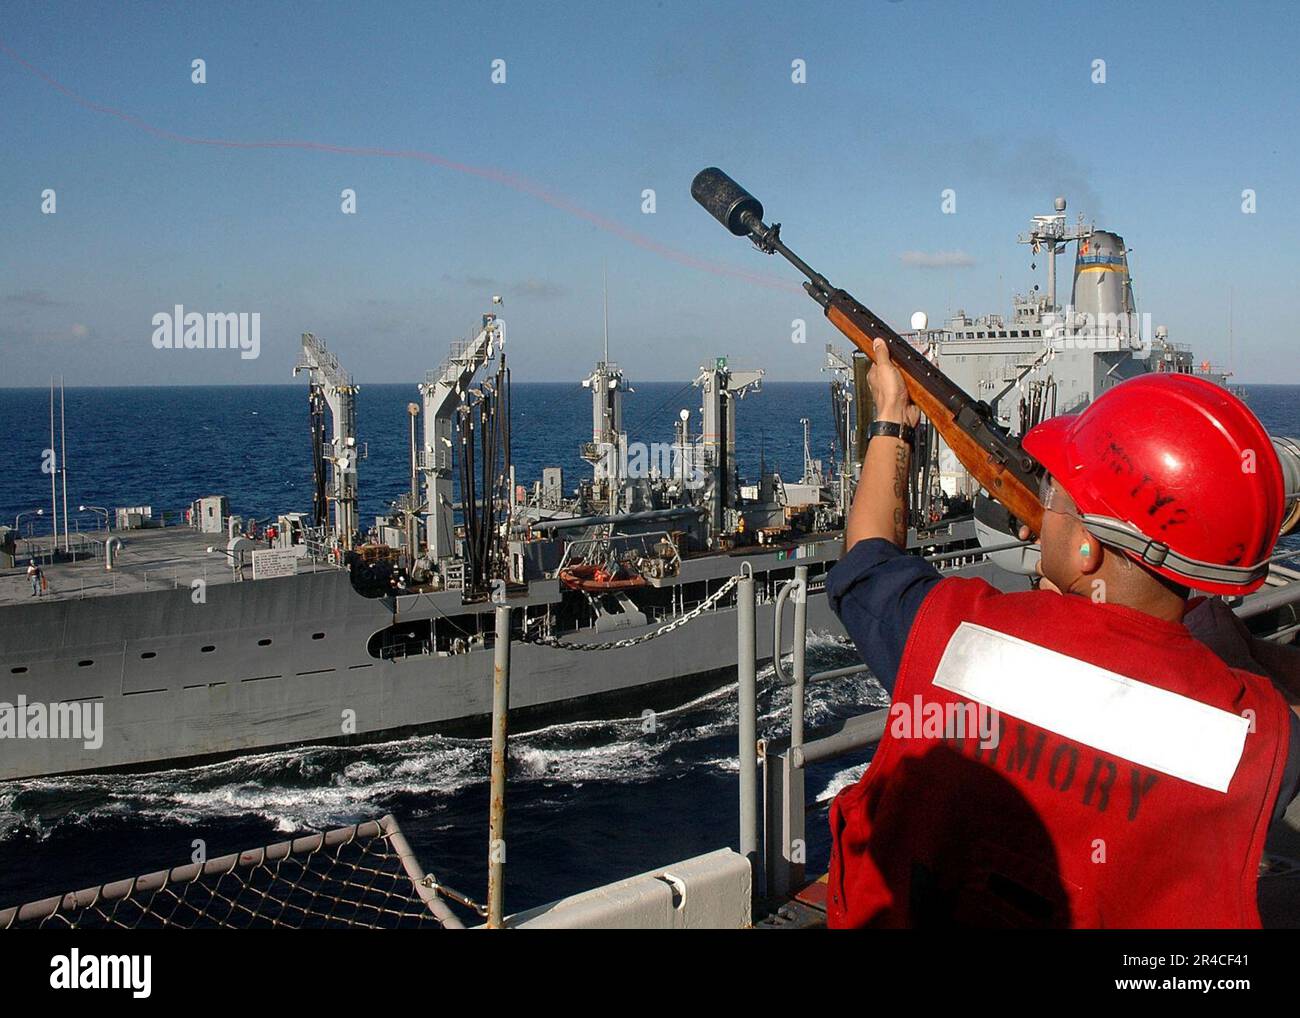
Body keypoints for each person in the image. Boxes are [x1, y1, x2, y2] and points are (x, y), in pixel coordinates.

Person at [825, 339, 1299, 928]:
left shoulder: (955, 635)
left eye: (1054, 491)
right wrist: (1228, 647)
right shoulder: (1264, 738)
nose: (1040, 501)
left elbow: (867, 562)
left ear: (1087, 548)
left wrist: (890, 418)